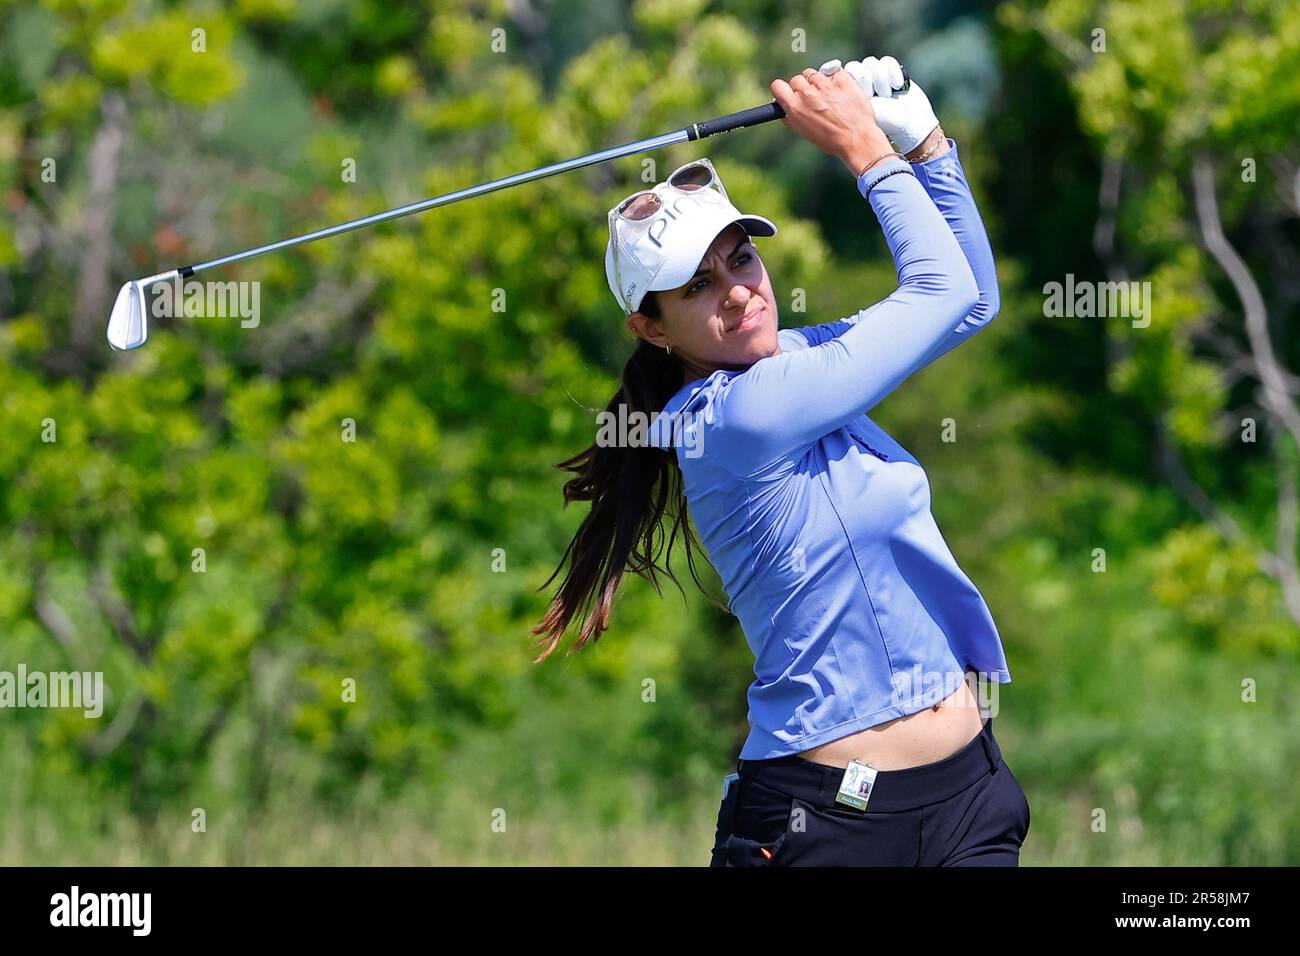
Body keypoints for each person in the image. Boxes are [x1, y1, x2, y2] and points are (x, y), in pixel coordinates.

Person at [532, 56, 1031, 865]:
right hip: (825, 827)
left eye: (740, 258)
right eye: (695, 287)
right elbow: (936, 294)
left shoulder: (786, 364)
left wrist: (925, 141)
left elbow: (969, 300)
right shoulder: (739, 416)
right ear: (651, 329)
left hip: (969, 802)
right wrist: (867, 151)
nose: (737, 291)